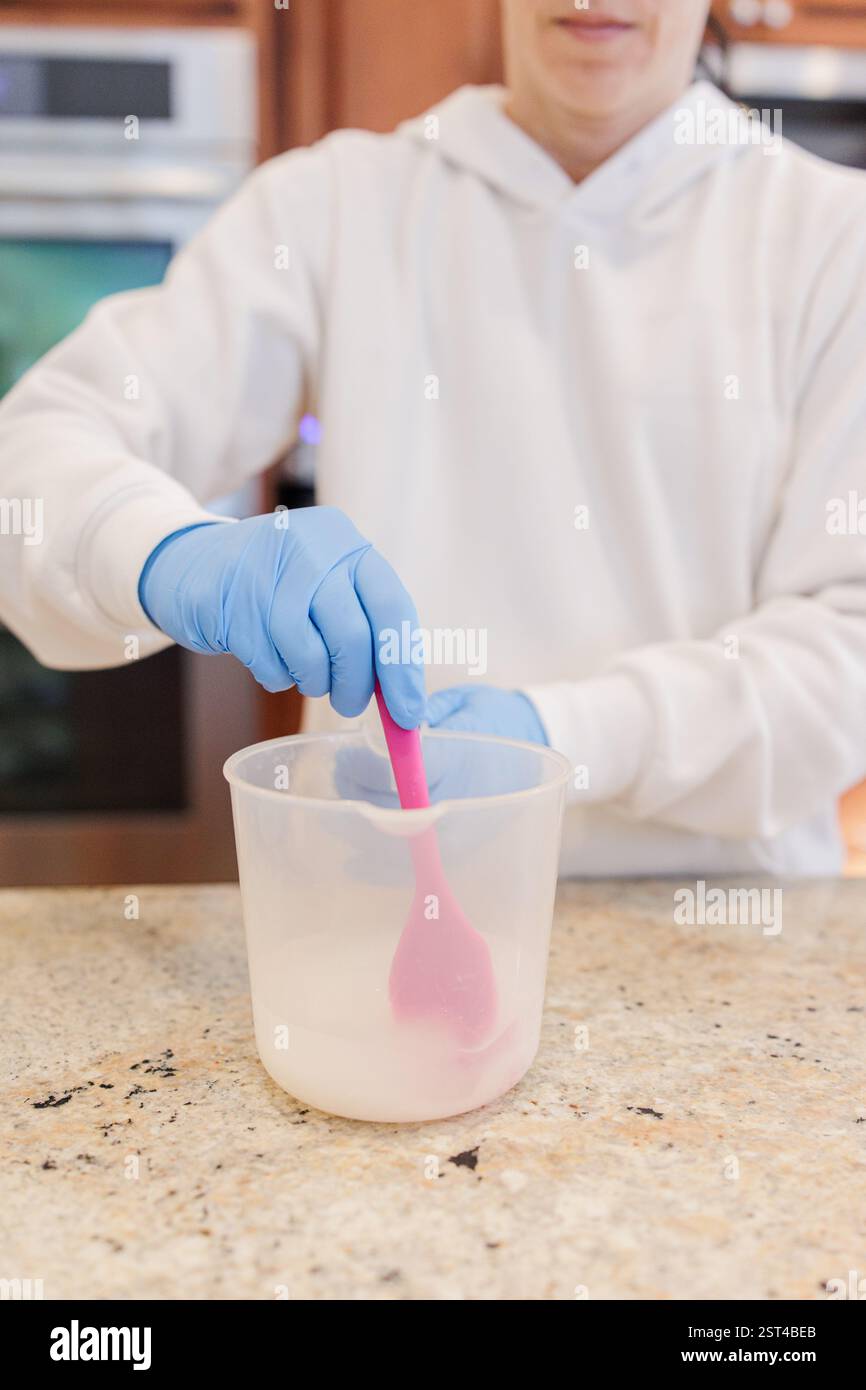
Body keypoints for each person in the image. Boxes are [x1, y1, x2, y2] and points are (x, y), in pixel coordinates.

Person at [2, 0, 866, 876]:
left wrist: (549, 736)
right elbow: (31, 456)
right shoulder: (339, 205)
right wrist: (166, 554)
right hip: (372, 925)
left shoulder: (833, 242)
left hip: (726, 944)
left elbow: (849, 653)